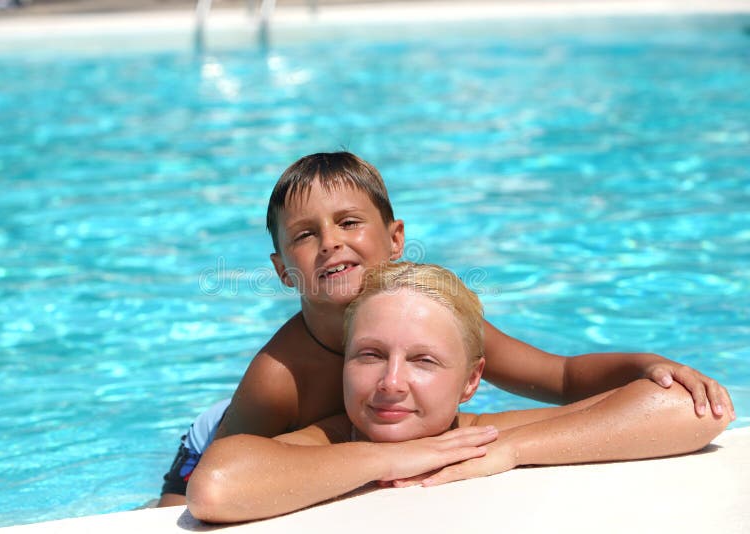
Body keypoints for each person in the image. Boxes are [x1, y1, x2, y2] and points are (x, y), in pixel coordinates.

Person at [159, 152, 734, 506]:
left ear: (395, 239)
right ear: (284, 270)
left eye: (350, 222)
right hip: (224, 438)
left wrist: (645, 367)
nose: (331, 241)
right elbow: (221, 472)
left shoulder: (434, 317)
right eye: (306, 234)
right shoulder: (278, 376)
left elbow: (560, 376)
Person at [186, 262, 730, 522]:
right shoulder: (325, 440)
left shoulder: (481, 438)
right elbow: (215, 485)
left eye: (423, 361)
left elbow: (692, 410)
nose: (391, 383)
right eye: (370, 356)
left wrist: (510, 451)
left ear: (472, 381)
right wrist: (395, 455)